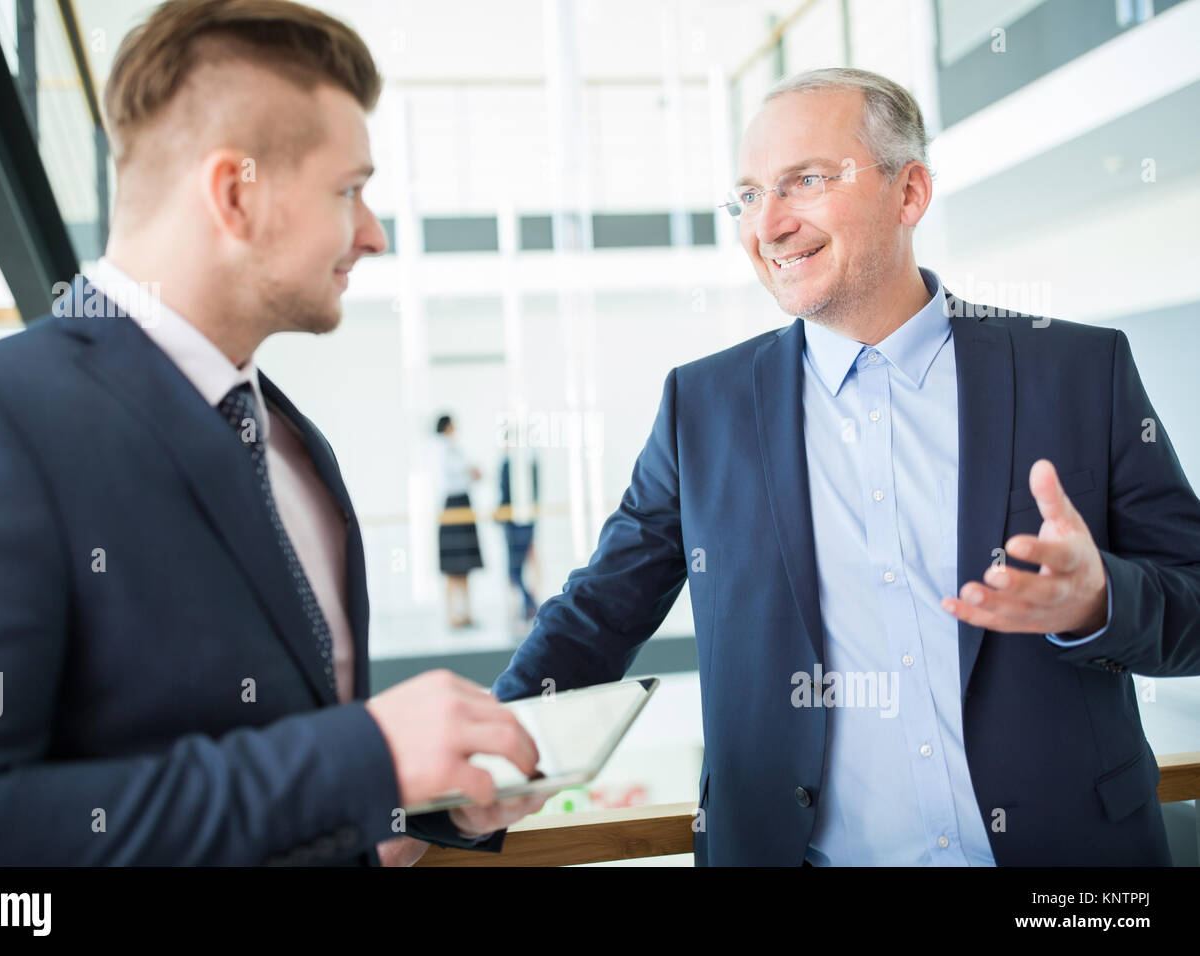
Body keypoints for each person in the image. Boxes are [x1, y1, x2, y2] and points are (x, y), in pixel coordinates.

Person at [474, 68, 1200, 864]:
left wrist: (1100, 602)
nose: (769, 224)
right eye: (748, 195)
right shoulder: (704, 407)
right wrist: (464, 776)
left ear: (909, 192)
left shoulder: (1079, 371)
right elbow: (597, 616)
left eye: (806, 182)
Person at [0, 0, 545, 866]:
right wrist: (361, 758)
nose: (373, 234)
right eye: (349, 190)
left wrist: (418, 800)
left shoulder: (291, 441)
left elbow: (289, 762)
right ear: (236, 195)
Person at [435, 414, 484, 628]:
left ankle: (466, 613)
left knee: (464, 567)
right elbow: (453, 475)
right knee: (452, 568)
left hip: (463, 503)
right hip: (453, 504)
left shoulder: (455, 448)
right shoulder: (439, 448)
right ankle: (452, 616)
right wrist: (470, 473)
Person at [498, 453, 540, 621]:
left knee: (515, 572)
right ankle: (529, 606)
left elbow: (505, 493)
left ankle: (531, 605)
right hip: (520, 522)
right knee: (516, 571)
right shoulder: (526, 462)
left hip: (518, 523)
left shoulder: (513, 464)